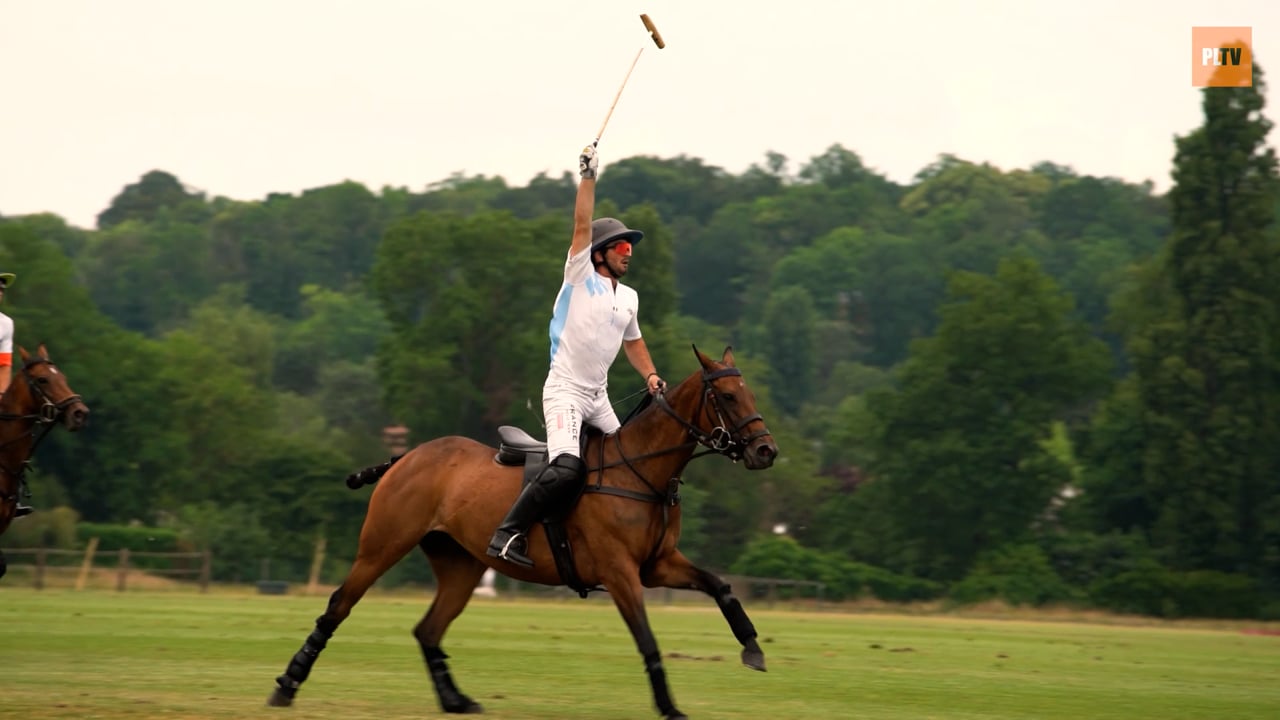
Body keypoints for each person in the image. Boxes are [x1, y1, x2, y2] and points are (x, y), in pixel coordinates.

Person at [487, 142, 666, 569]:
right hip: (564, 391)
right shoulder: (579, 274)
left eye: (630, 247)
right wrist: (588, 176)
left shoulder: (631, 298)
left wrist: (651, 376)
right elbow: (582, 224)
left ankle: (602, 546)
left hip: (598, 397)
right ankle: (507, 534)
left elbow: (633, 342)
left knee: (624, 464)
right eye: (621, 246)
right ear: (601, 252)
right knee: (568, 466)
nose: (628, 253)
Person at [0, 270, 31, 518]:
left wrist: (1, 395)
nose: (0, 293)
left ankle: (11, 496)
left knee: (13, 436)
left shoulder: (5, 324)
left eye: (1, 290)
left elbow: (4, 365)